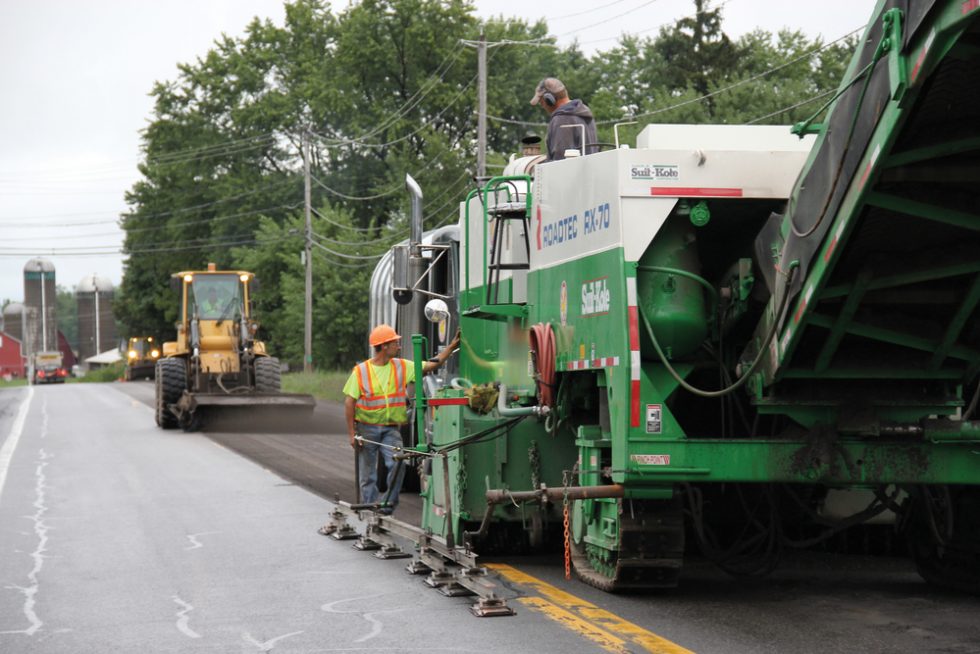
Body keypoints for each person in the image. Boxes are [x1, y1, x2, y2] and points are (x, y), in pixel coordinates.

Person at [343, 324, 460, 515]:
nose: (399, 346)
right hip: (367, 429)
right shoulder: (361, 371)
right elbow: (349, 403)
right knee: (367, 474)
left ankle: (386, 507)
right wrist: (351, 433)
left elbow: (433, 364)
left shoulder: (402, 366)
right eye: (395, 343)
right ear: (383, 346)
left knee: (398, 465)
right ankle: (369, 509)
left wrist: (452, 346)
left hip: (391, 430)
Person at [529, 77, 598, 162]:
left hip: (570, 174)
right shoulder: (585, 113)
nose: (542, 106)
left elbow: (559, 160)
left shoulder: (561, 120)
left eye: (541, 101)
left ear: (549, 99)